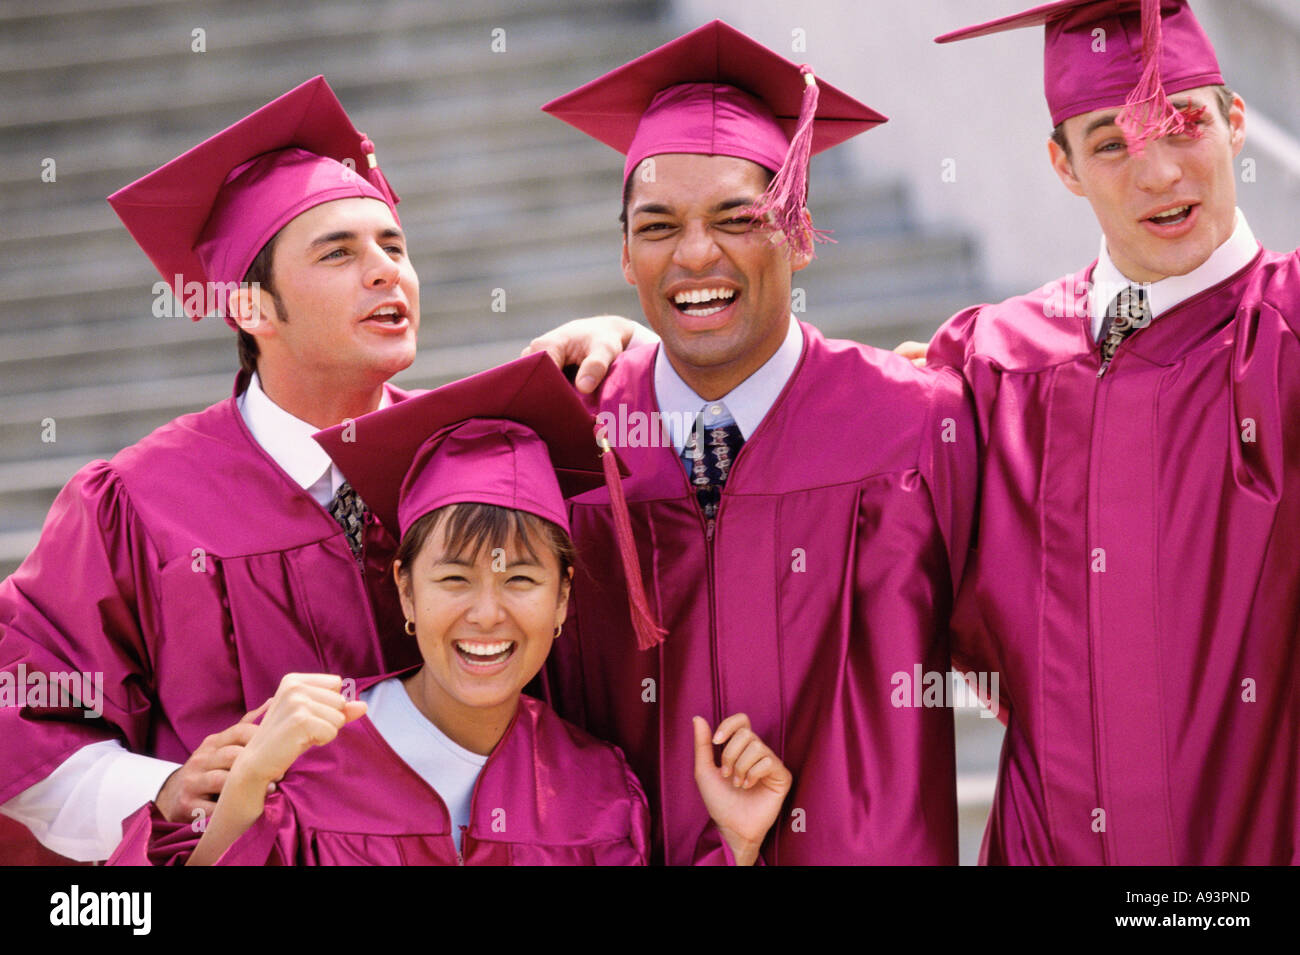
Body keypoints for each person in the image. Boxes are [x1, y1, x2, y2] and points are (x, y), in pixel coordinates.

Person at [0, 78, 649, 863]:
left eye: (394, 246)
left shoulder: (473, 455)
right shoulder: (141, 504)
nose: (386, 272)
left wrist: (633, 362)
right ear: (250, 307)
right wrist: (161, 792)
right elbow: (21, 717)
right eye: (339, 253)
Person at [535, 21, 979, 865]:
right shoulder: (567, 445)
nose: (696, 253)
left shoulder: (919, 426)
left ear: (800, 236)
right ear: (625, 257)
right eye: (658, 227)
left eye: (738, 217)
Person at [109, 354, 789, 864]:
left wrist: (736, 841)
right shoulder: (307, 757)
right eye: (455, 578)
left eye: (521, 578)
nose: (487, 614)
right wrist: (248, 789)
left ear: (564, 599)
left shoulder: (601, 791)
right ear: (404, 589)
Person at [910, 0, 1299, 864]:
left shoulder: (1290, 331)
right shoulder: (992, 366)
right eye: (1112, 143)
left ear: (1236, 122)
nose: (1158, 173)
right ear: (1064, 165)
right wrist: (645, 361)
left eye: (1184, 122)